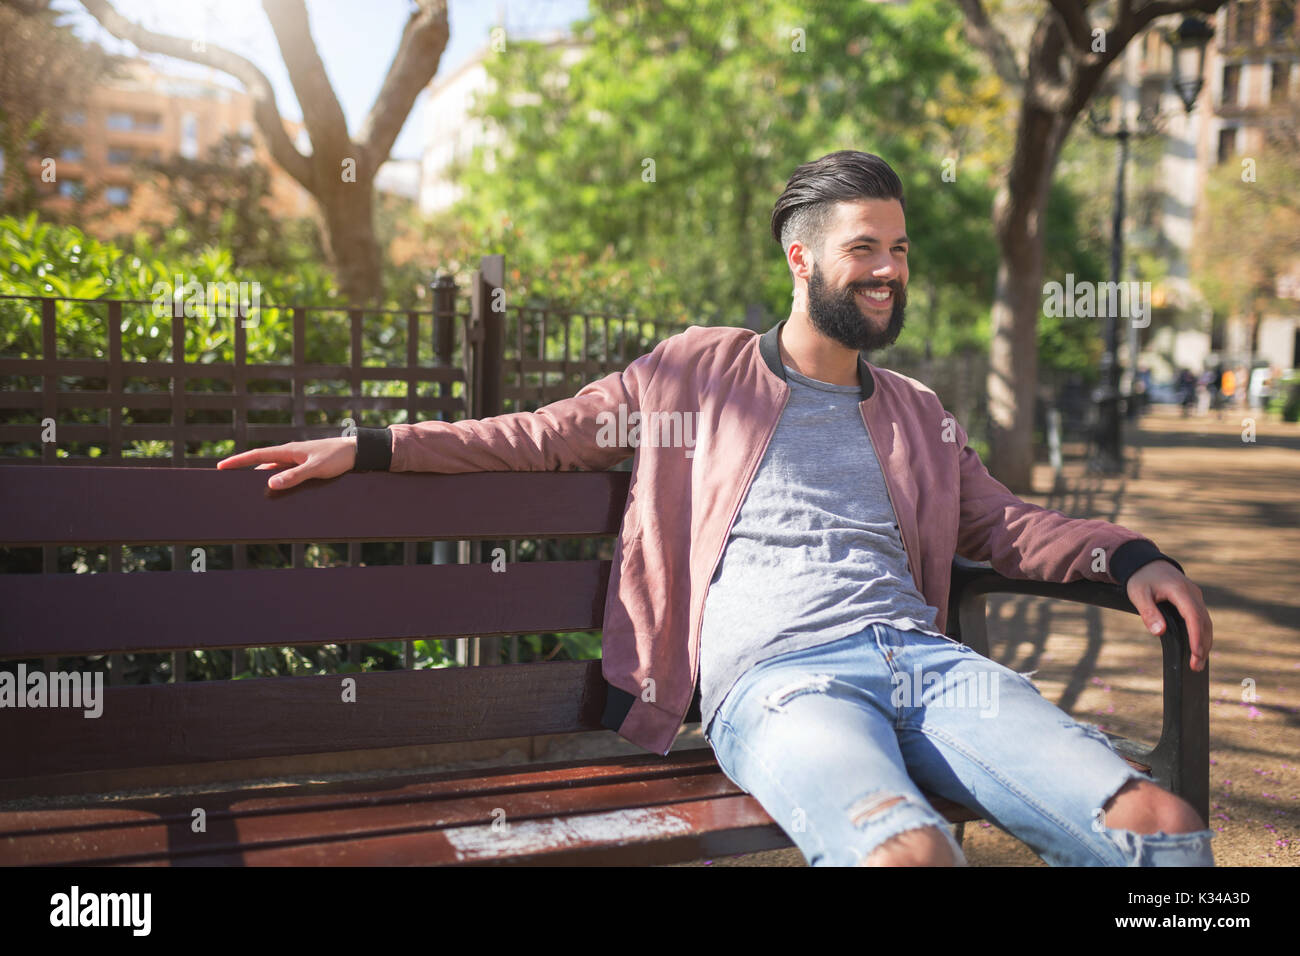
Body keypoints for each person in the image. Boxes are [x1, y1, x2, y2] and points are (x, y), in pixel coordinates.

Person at [217, 150, 1215, 867]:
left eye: (900, 248)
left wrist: (1127, 555)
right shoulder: (694, 371)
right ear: (799, 258)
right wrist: (374, 444)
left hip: (928, 665)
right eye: (864, 247)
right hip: (785, 685)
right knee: (905, 852)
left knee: (1159, 822)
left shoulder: (914, 409)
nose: (888, 269)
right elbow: (538, 435)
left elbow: (1001, 524)